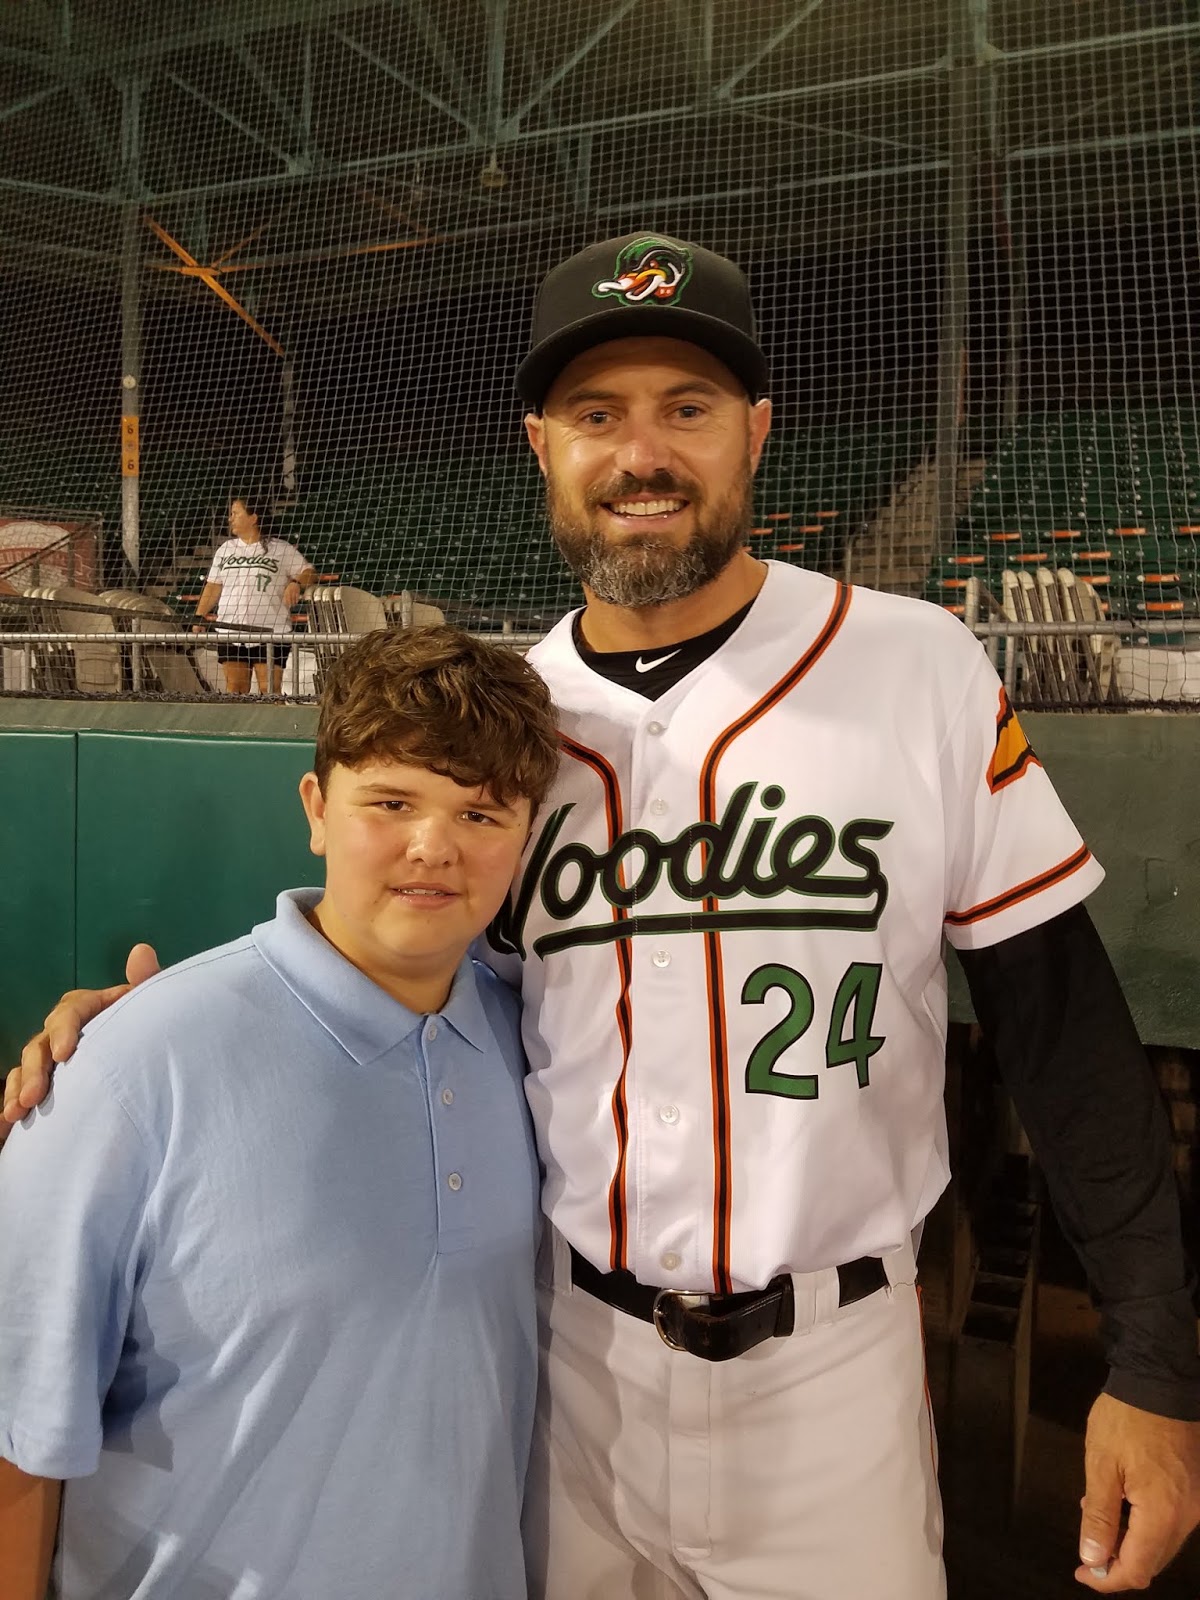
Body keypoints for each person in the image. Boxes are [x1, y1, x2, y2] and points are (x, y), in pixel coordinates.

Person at [8, 233, 1200, 1597]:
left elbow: (1062, 1024)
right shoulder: (510, 723)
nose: (644, 454)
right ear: (542, 446)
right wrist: (137, 1043)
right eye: (598, 416)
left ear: (757, 431)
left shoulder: (914, 665)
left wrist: (1156, 1362)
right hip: (565, 1367)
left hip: (836, 1369)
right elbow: (385, 973)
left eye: (686, 410)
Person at [0, 625, 561, 1600]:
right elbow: (18, 1439)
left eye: (480, 813)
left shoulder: (545, 1044)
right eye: (392, 801)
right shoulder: (128, 1068)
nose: (434, 846)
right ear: (316, 806)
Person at [192, 493, 314, 695]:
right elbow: (213, 585)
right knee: (235, 690)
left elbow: (308, 571)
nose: (230, 518)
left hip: (271, 630)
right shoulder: (226, 549)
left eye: (235, 513)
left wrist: (295, 583)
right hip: (230, 629)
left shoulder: (280, 549)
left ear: (253, 518)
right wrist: (199, 616)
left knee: (269, 690)